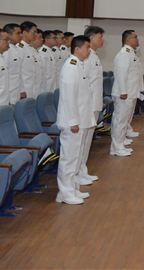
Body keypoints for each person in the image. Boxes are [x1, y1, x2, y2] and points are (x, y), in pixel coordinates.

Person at [55, 35, 95, 205]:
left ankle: (72, 189)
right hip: (73, 122)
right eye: (87, 46)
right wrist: (73, 122)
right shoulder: (71, 67)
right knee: (69, 159)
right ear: (77, 49)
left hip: (81, 119)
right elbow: (69, 97)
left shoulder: (78, 65)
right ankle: (64, 192)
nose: (89, 49)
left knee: (76, 158)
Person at [109, 30, 143, 157]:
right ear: (129, 39)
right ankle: (116, 147)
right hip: (125, 93)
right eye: (136, 37)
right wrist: (123, 92)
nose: (137, 40)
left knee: (124, 119)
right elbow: (121, 74)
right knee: (120, 120)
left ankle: (121, 141)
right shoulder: (124, 53)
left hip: (130, 92)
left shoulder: (130, 53)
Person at [78, 25, 105, 184]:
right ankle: (78, 173)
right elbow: (84, 83)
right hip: (87, 105)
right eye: (100, 37)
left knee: (87, 141)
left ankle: (82, 170)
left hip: (94, 104)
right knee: (82, 141)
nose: (102, 40)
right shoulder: (87, 58)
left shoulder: (93, 56)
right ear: (91, 38)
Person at [3, 23, 23, 105]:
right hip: (9, 96)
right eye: (18, 33)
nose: (21, 35)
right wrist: (7, 98)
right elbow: (4, 76)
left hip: (16, 93)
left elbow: (18, 73)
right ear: (9, 35)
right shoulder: (6, 51)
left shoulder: (15, 49)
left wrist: (21, 90)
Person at [19, 21, 39, 101]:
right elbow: (18, 71)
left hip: (33, 88)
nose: (36, 34)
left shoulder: (30, 48)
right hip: (25, 89)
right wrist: (21, 90)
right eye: (34, 32)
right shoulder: (19, 48)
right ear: (24, 33)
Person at [39, 30, 58, 96]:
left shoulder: (50, 51)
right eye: (54, 38)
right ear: (46, 40)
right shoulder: (43, 52)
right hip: (46, 86)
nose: (56, 40)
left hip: (52, 85)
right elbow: (42, 71)